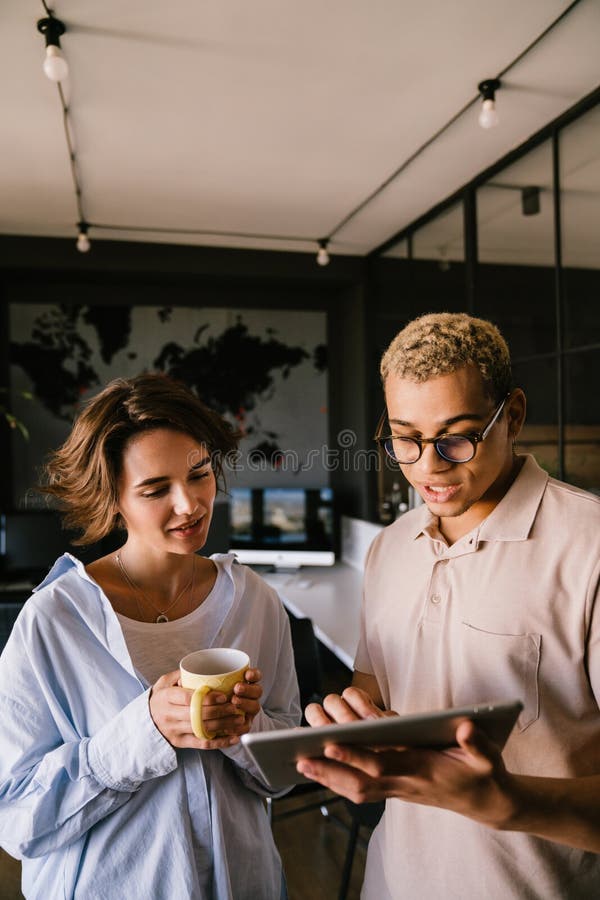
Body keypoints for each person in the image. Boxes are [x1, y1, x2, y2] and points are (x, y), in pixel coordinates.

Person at [297, 312, 600, 899]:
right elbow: (376, 692)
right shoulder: (391, 548)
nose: (428, 465)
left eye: (456, 436)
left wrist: (509, 803)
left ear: (512, 416)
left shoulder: (590, 548)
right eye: (404, 438)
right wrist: (351, 730)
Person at [0, 372, 301, 900]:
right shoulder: (53, 621)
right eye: (155, 489)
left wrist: (244, 725)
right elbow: (17, 820)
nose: (189, 505)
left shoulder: (255, 599)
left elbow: (283, 776)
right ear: (112, 497)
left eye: (200, 474)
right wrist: (144, 732)